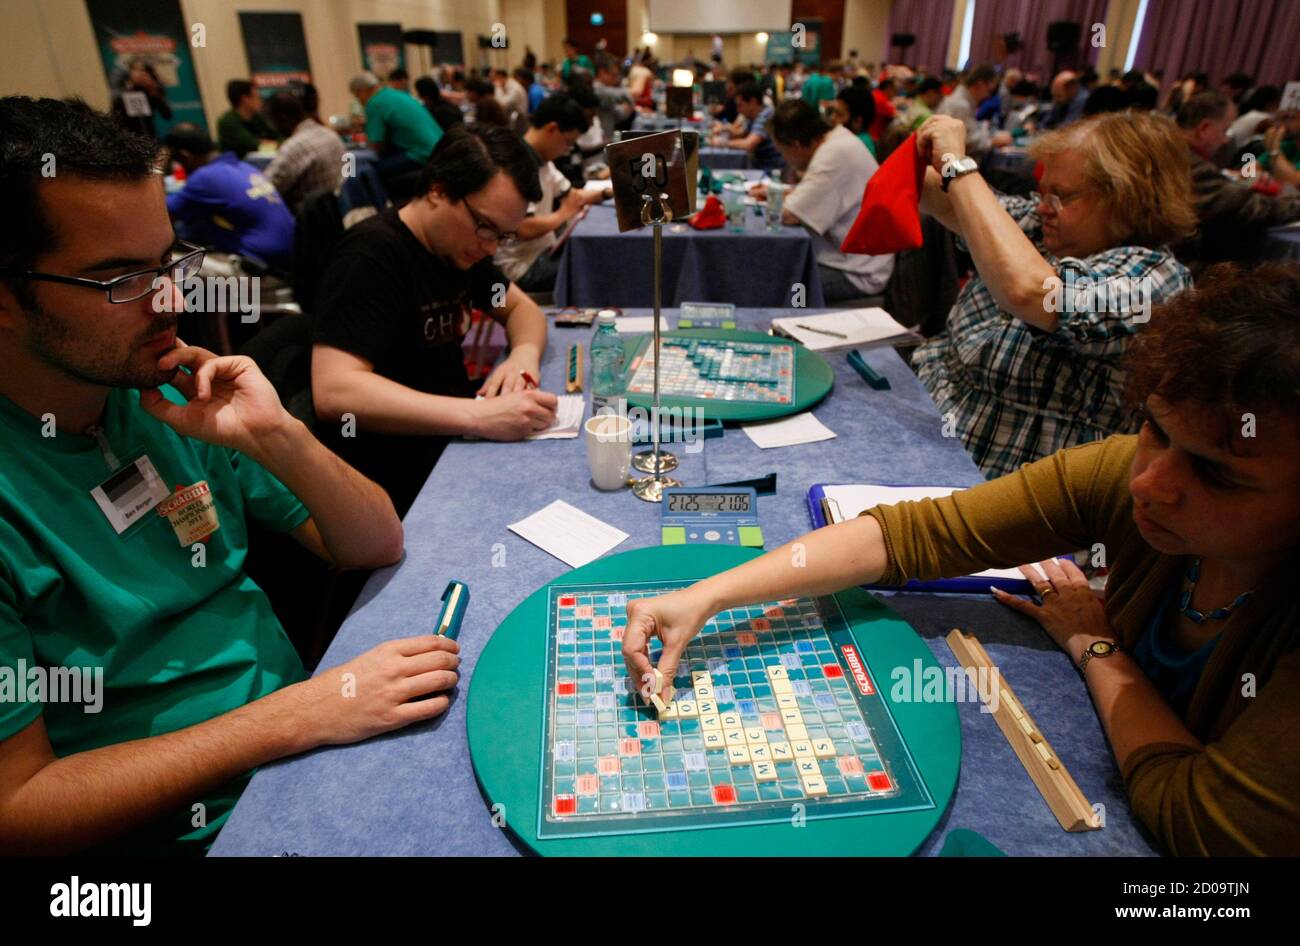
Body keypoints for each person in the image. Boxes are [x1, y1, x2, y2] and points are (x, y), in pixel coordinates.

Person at [621, 261, 1300, 856]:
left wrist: (1100, 650)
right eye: (1155, 429)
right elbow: (914, 534)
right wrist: (706, 595)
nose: (1150, 481)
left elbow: (1198, 821)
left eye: (1219, 476)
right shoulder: (1127, 476)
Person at [0, 96, 452, 856]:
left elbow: (374, 541)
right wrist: (299, 716)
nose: (174, 301)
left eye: (168, 262)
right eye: (119, 281)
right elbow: (20, 808)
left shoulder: (168, 394)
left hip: (306, 742)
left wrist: (276, 434)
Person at [911, 110, 1196, 478]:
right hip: (928, 428)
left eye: (1060, 196)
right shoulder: (1057, 233)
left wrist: (959, 167)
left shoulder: (1156, 282)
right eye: (1044, 192)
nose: (1044, 207)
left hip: (989, 487)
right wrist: (926, 151)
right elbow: (950, 203)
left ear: (1128, 197)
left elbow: (1032, 292)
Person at [310, 125, 557, 516]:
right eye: (486, 227)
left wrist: (522, 355)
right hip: (394, 473)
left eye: (504, 236)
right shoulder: (371, 257)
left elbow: (522, 310)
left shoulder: (457, 250)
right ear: (438, 191)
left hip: (451, 441)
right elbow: (335, 391)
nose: (491, 247)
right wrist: (478, 416)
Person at [763, 100, 893, 301]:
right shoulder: (838, 141)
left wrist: (772, 199)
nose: (785, 159)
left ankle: (787, 326)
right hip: (853, 261)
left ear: (796, 145)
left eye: (783, 152)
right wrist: (778, 194)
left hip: (856, 273)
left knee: (779, 281)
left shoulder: (833, 156)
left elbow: (788, 215)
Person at [494, 95, 607, 292]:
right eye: (568, 142)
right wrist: (563, 214)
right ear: (552, 129)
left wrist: (607, 192)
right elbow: (522, 228)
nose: (567, 150)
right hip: (520, 267)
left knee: (594, 252)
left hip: (542, 253)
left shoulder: (543, 161)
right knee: (594, 265)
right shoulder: (516, 164)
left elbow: (573, 196)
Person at [1175, 92, 1300, 267]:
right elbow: (1247, 175)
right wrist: (1274, 153)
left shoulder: (1171, 148)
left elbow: (1294, 181)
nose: (1226, 140)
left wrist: (1273, 156)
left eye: (1293, 117)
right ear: (1203, 129)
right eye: (1225, 131)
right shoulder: (1281, 146)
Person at [162, 123, 295, 271]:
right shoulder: (244, 167)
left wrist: (158, 168)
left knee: (172, 263)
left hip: (263, 266)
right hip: (292, 255)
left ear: (184, 157)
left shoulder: (205, 177)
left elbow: (161, 215)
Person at [348, 72, 444, 197]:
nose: (359, 101)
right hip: (439, 148)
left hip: (421, 154)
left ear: (362, 91)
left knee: (367, 172)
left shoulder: (374, 102)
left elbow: (376, 144)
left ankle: (384, 209)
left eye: (357, 95)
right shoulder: (396, 94)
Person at [262, 91, 345, 216]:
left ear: (282, 118)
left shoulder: (294, 147)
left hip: (306, 222)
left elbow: (264, 190)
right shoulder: (330, 134)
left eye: (271, 121)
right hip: (338, 214)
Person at [937, 64, 1013, 158]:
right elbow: (967, 142)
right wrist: (993, 141)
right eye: (989, 91)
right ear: (980, 84)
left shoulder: (962, 101)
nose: (988, 96)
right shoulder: (960, 105)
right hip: (949, 164)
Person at [712, 83, 782, 173]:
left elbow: (748, 144)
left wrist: (721, 142)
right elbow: (742, 134)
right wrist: (725, 130)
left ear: (752, 102)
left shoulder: (766, 116)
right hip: (760, 166)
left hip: (771, 170)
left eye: (740, 105)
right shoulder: (754, 116)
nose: (738, 110)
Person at [110, 58, 171, 140]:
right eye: (136, 71)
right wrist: (129, 89)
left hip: (149, 133)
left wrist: (154, 92)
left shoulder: (154, 87)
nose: (140, 74)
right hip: (127, 134)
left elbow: (167, 114)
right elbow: (115, 105)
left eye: (143, 71)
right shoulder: (122, 86)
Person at [217, 79, 278, 159]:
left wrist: (274, 143)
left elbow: (276, 136)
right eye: (256, 96)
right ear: (245, 99)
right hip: (237, 167)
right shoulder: (227, 122)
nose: (260, 100)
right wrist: (277, 144)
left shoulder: (257, 117)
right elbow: (254, 145)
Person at [826, 84, 878, 156]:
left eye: (839, 115)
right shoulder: (862, 140)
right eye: (834, 112)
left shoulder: (854, 147)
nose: (832, 118)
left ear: (857, 121)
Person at [592, 56, 635, 141]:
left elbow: (618, 115)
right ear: (602, 72)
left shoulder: (604, 90)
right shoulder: (597, 90)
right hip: (597, 145)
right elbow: (627, 96)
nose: (617, 79)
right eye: (614, 75)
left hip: (604, 140)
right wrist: (630, 104)